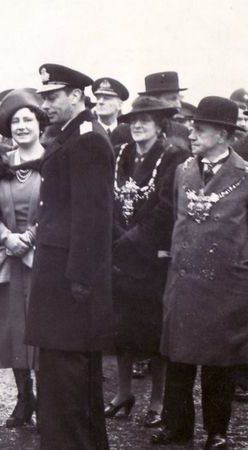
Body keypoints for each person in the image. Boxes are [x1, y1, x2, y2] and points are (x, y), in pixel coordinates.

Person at [150, 97, 248, 450]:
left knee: (218, 362)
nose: (191, 133)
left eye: (200, 128)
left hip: (226, 284)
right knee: (178, 357)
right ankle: (178, 426)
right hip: (184, 280)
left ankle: (216, 431)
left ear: (222, 134)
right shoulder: (184, 171)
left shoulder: (245, 176)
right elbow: (178, 220)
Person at [25, 63, 114, 450]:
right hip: (61, 276)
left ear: (77, 95)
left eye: (53, 96)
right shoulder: (70, 137)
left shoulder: (88, 139)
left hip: (70, 282)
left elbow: (92, 218)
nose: (47, 104)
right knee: (64, 377)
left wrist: (79, 280)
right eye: (44, 96)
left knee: (69, 379)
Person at [103, 96, 188, 429]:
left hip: (153, 256)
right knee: (121, 327)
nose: (137, 125)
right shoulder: (120, 153)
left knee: (154, 332)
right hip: (120, 254)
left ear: (160, 124)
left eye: (146, 120)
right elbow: (108, 199)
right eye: (134, 120)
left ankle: (157, 401)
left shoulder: (173, 156)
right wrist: (116, 238)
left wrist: (131, 240)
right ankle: (123, 393)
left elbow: (167, 208)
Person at [0, 88, 46, 427]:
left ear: (39, 123)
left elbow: (57, 208)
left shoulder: (52, 160)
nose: (21, 126)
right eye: (15, 121)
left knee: (42, 328)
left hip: (42, 259)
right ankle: (24, 398)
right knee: (13, 329)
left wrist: (30, 238)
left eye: (27, 119)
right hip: (8, 259)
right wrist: (7, 238)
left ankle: (47, 400)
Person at [139, 71, 191, 153]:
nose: (179, 105)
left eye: (179, 99)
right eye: (172, 99)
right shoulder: (133, 131)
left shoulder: (182, 131)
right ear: (154, 101)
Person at [93, 77, 132, 148]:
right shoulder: (88, 130)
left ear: (120, 105)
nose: (100, 102)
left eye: (107, 98)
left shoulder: (129, 132)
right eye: (98, 98)